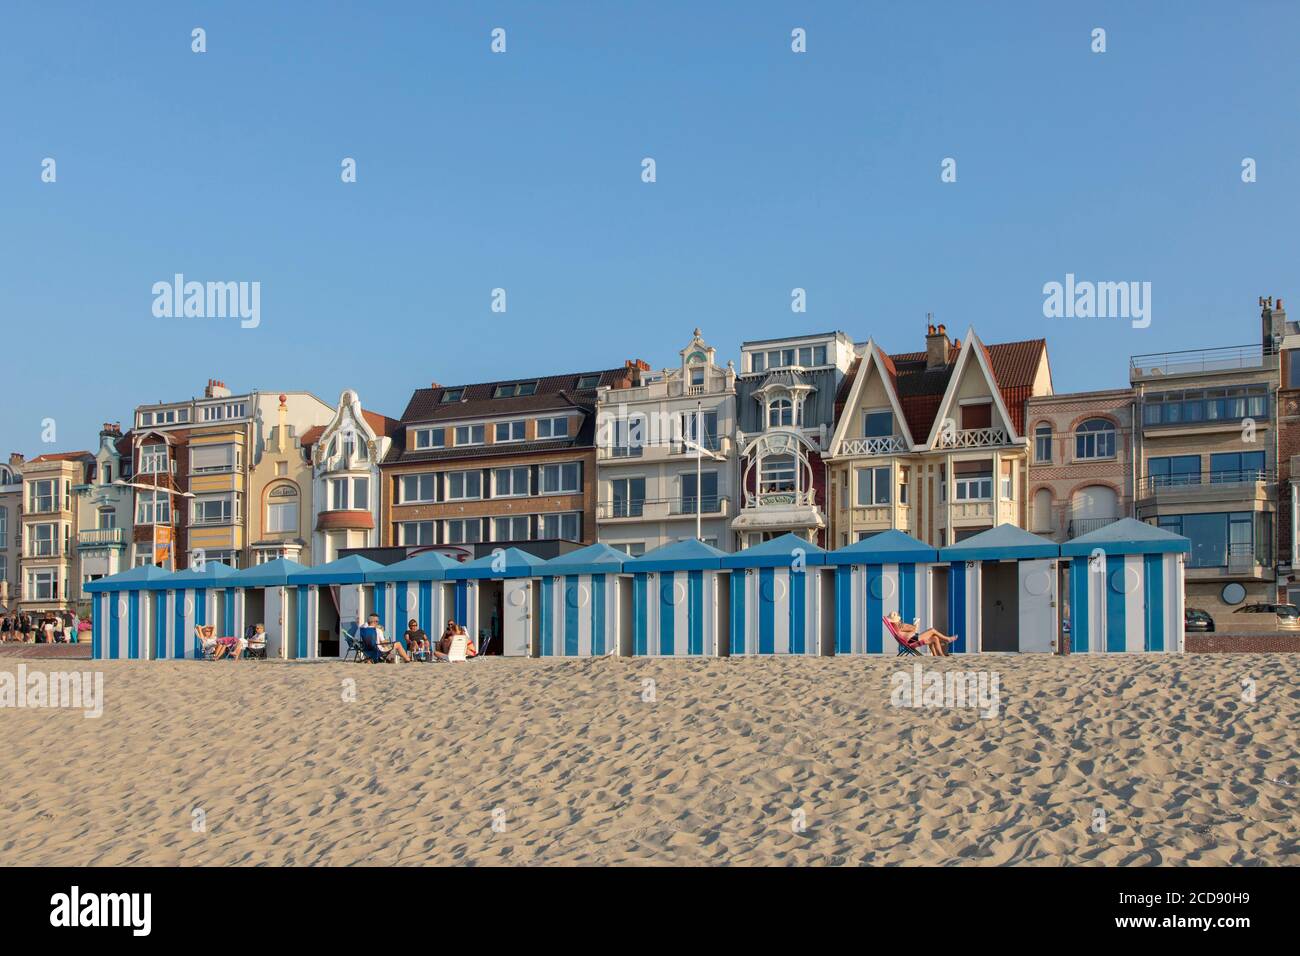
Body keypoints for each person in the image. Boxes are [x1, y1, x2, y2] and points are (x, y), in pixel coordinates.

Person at [887, 610, 954, 657]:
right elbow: (914, 629)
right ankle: (947, 639)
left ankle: (938, 655)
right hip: (912, 640)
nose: (899, 620)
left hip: (911, 639)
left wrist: (910, 626)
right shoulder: (899, 626)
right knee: (932, 630)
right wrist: (916, 623)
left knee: (934, 638)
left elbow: (910, 632)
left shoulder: (895, 626)